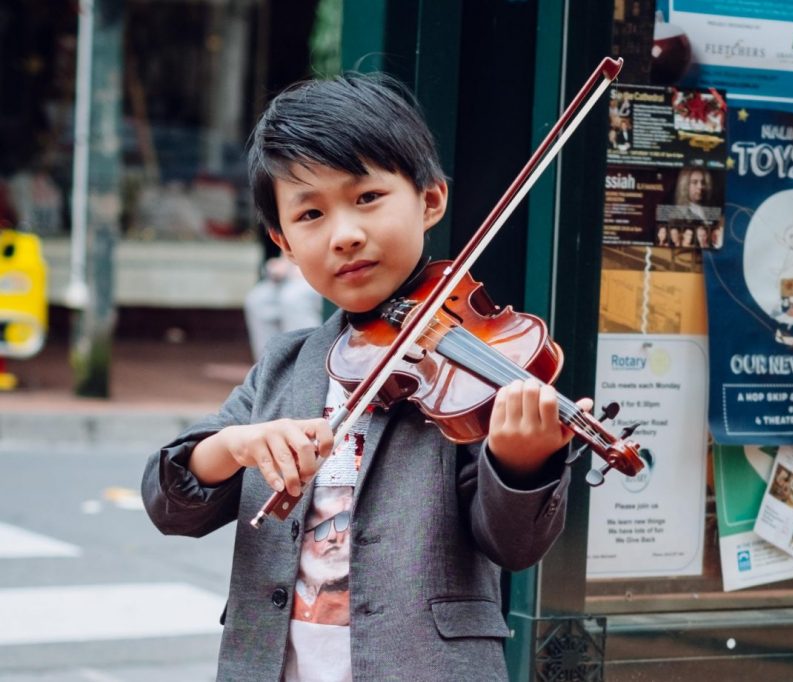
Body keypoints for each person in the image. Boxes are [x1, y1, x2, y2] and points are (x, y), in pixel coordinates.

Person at [141, 73, 582, 682]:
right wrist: (235, 446)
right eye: (312, 213)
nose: (345, 234)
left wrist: (521, 463)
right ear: (285, 243)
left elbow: (513, 546)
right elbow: (171, 506)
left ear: (430, 200)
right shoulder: (285, 366)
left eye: (367, 198)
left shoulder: (474, 372)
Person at [243, 255, 323, 360]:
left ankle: (305, 362)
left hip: (321, 275)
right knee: (258, 299)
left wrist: (304, 270)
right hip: (294, 275)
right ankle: (268, 366)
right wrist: (283, 264)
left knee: (293, 297)